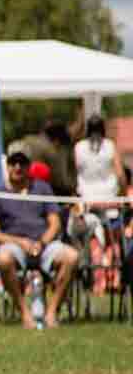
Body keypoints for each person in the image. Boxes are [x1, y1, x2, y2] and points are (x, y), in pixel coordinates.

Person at [0, 150, 78, 329]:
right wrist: (21, 242)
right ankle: (25, 313)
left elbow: (55, 223)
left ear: (29, 167)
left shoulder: (42, 189)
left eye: (22, 163)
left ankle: (51, 313)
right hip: (14, 246)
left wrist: (41, 243)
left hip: (44, 244)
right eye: (13, 163)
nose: (18, 167)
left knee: (72, 257)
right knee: (3, 259)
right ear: (8, 166)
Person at [70, 114, 127, 293]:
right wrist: (122, 195)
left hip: (89, 201)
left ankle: (98, 281)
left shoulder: (78, 147)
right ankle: (110, 279)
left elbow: (73, 177)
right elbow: (121, 176)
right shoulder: (110, 146)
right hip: (107, 201)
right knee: (111, 241)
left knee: (93, 240)